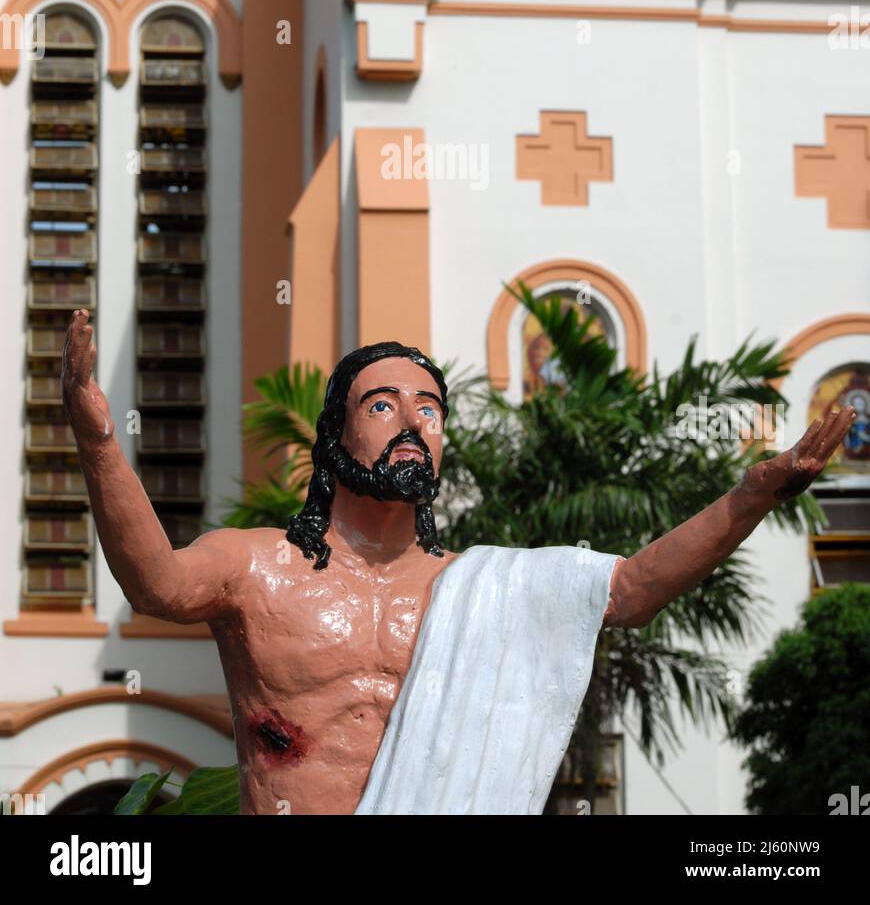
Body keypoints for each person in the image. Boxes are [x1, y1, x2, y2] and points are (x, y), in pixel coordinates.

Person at [61, 309, 854, 816]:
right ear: (336, 440)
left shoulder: (480, 588)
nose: (413, 423)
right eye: (384, 406)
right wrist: (98, 439)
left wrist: (753, 494)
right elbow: (157, 583)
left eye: (430, 410)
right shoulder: (257, 565)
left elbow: (631, 589)